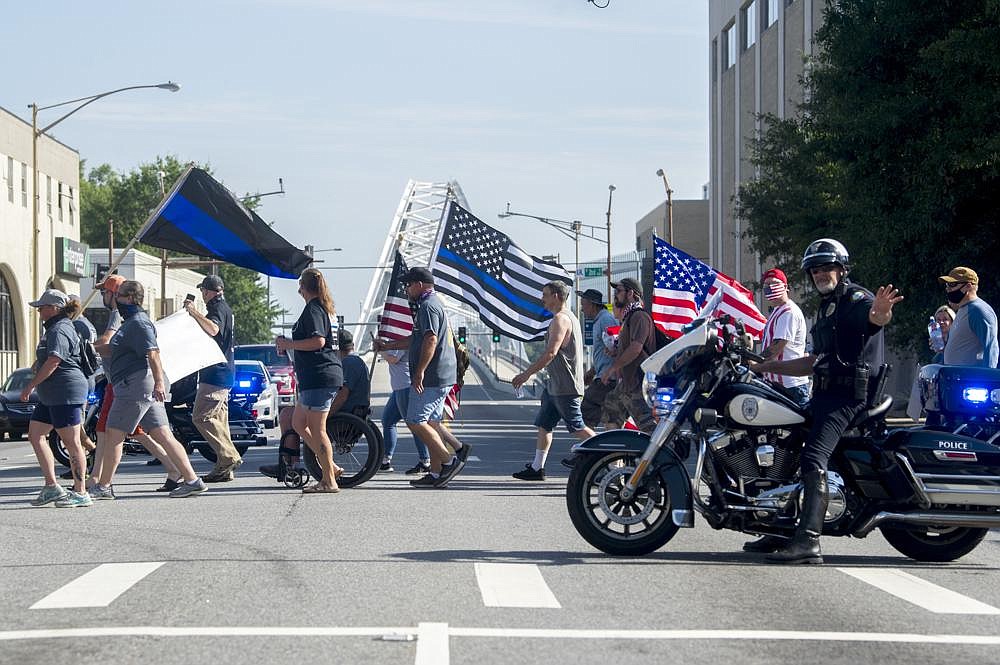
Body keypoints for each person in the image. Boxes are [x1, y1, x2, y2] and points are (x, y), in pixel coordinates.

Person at [749, 239, 902, 564]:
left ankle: (808, 543)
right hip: (825, 394)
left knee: (812, 459)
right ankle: (781, 530)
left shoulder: (855, 298)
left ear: (842, 269)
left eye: (827, 267)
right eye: (815, 269)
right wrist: (765, 366)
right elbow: (815, 360)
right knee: (786, 445)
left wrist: (882, 311)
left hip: (848, 399)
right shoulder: (826, 306)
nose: (821, 273)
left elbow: (874, 318)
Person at [92, 280, 207, 499]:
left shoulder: (139, 323)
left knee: (114, 433)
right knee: (163, 434)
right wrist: (89, 349)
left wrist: (159, 383)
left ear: (130, 298)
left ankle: (103, 486)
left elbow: (153, 353)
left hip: (134, 385)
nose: (114, 299)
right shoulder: (131, 323)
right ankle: (192, 481)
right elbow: (113, 350)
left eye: (119, 295)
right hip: (140, 385)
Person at [373, 267, 471, 489]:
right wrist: (388, 346)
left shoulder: (427, 307)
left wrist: (419, 372)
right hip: (442, 375)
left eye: (409, 284)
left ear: (419, 284)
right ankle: (436, 474)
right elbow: (415, 339)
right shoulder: (434, 304)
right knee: (433, 423)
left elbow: (430, 341)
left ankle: (448, 461)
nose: (407, 289)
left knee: (415, 420)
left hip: (433, 376)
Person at [510, 280, 596, 481]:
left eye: (545, 295)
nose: (542, 299)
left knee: (577, 427)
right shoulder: (568, 317)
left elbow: (550, 353)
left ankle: (610, 457)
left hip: (566, 386)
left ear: (556, 296)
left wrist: (526, 374)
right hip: (554, 385)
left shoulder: (561, 319)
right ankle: (537, 468)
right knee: (544, 424)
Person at [275, 268, 345, 494]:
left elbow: (318, 341)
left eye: (299, 286)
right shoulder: (321, 308)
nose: (298, 290)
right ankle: (331, 467)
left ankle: (329, 481)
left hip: (320, 376)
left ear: (303, 288)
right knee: (298, 423)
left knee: (317, 429)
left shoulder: (314, 309)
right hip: (314, 377)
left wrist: (289, 345)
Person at [22, 289, 92, 507]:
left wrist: (29, 386)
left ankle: (81, 492)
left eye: (42, 307)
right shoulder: (53, 328)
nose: (39, 311)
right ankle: (52, 486)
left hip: (66, 392)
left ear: (54, 308)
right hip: (50, 394)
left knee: (72, 443)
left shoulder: (60, 329)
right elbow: (47, 358)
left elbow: (54, 360)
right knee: (35, 435)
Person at [184, 274, 242, 482]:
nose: (202, 294)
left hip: (215, 373)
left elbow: (213, 328)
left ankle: (229, 456)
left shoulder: (217, 308)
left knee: (201, 417)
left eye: (203, 291)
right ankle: (224, 469)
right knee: (219, 421)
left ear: (209, 291)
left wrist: (193, 312)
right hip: (224, 372)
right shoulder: (225, 308)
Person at [598, 278, 657, 434]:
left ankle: (662, 456)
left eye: (618, 291)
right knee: (610, 415)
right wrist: (616, 352)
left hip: (639, 384)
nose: (615, 295)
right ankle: (618, 457)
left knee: (649, 430)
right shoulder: (628, 318)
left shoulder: (640, 316)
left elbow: (636, 349)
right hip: (626, 384)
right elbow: (630, 349)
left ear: (631, 293)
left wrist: (612, 368)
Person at [758, 268, 811, 407]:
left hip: (790, 384)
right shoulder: (778, 310)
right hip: (777, 383)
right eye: (766, 285)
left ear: (785, 287)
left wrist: (753, 363)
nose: (770, 288)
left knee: (801, 426)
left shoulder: (788, 312)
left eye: (774, 283)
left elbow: (776, 348)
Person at [379, 347, 431, 475]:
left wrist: (381, 350)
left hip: (406, 385)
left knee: (414, 424)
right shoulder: (399, 335)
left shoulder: (403, 332)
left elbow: (393, 359)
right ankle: (385, 461)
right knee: (388, 420)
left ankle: (425, 461)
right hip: (399, 386)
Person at [940, 267, 998, 368]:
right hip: (957, 380)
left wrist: (987, 380)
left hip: (969, 381)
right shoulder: (962, 310)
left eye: (952, 284)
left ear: (968, 286)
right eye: (947, 285)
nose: (947, 288)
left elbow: (991, 348)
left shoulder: (978, 310)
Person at [578, 288, 618, 428]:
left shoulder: (606, 319)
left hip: (607, 378)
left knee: (585, 411)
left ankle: (588, 445)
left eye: (583, 305)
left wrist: (610, 372)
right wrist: (592, 372)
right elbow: (604, 352)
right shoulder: (599, 320)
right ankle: (613, 446)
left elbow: (616, 345)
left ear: (592, 304)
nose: (582, 309)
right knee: (611, 417)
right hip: (603, 375)